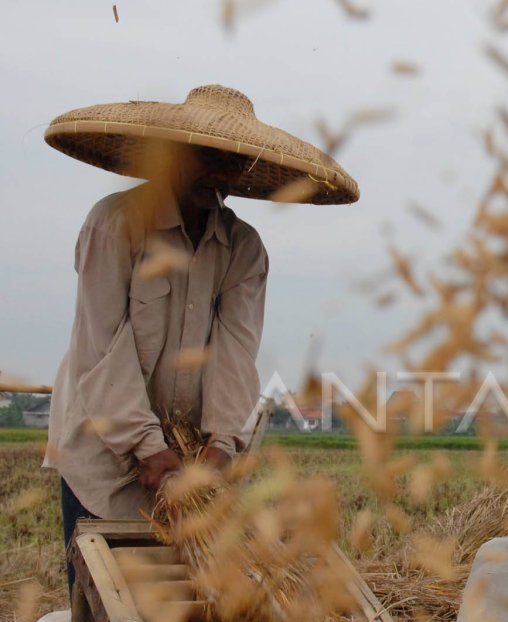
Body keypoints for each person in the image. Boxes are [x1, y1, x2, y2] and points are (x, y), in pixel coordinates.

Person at [42, 85, 359, 587]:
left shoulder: (242, 248)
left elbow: (237, 352)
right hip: (104, 444)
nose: (216, 173)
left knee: (185, 604)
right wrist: (148, 449)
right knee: (103, 604)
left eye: (229, 162)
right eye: (202, 156)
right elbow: (100, 349)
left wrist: (218, 449)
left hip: (189, 450)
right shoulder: (116, 224)